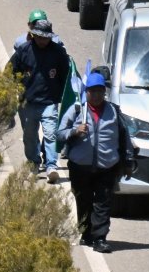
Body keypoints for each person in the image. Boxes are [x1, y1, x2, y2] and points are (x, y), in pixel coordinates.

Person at [58, 68, 136, 252]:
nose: (96, 95)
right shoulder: (77, 110)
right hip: (80, 167)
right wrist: (75, 131)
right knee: (83, 200)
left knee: (103, 202)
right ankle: (86, 233)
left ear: (104, 92)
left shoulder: (114, 112)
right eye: (92, 91)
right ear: (86, 92)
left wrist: (128, 162)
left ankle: (100, 238)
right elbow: (59, 133)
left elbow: (124, 138)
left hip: (107, 167)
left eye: (100, 91)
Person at [6, 13, 72, 176]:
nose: (43, 41)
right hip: (27, 102)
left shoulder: (58, 53)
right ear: (33, 35)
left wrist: (62, 95)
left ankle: (51, 166)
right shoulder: (23, 51)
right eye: (40, 37)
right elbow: (9, 73)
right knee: (30, 136)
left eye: (46, 38)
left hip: (49, 102)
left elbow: (65, 75)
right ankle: (34, 162)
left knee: (50, 134)